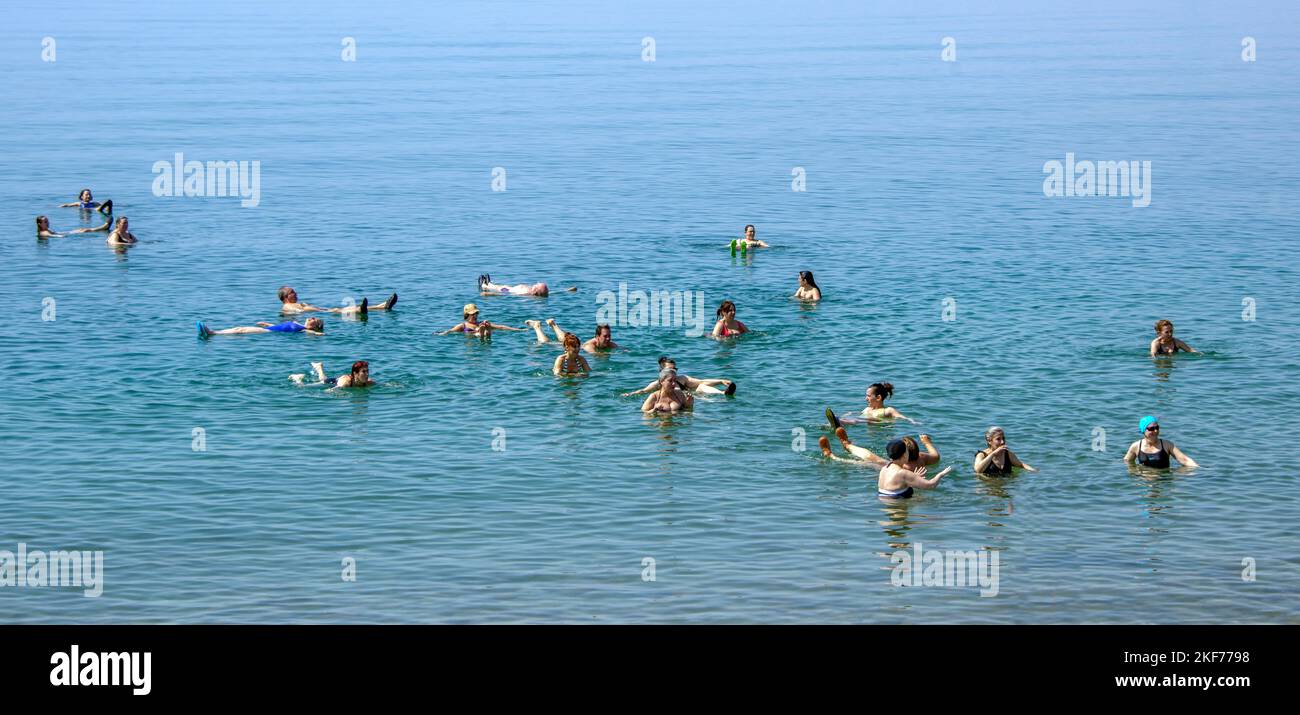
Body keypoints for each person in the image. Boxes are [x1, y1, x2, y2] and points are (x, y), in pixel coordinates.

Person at [622, 357, 736, 396]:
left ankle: (722, 393)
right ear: (661, 371)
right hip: (677, 405)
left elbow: (702, 381)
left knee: (700, 386)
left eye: (675, 369)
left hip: (691, 398)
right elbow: (643, 391)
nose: (674, 372)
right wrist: (630, 394)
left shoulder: (682, 379)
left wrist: (721, 381)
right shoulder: (658, 384)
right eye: (670, 370)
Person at [828, 428, 940, 469]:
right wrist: (927, 443)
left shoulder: (903, 466)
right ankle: (847, 445)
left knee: (868, 458)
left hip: (888, 468)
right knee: (870, 457)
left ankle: (837, 454)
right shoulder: (922, 457)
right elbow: (936, 456)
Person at [876, 439, 951, 499]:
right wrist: (941, 474)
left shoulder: (885, 468)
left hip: (885, 501)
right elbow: (930, 485)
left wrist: (913, 476)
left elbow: (894, 484)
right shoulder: (903, 473)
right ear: (904, 455)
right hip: (897, 505)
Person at [824, 382, 916, 427]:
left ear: (878, 398)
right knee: (854, 419)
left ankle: (839, 422)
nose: (865, 398)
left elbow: (902, 417)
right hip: (865, 423)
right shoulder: (867, 409)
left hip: (879, 424)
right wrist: (849, 413)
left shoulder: (888, 410)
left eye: (868, 396)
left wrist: (912, 421)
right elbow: (858, 414)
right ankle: (836, 422)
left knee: (859, 421)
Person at [1124, 416, 1198, 469]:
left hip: (1163, 481)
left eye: (1157, 428)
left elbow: (1184, 460)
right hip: (1144, 483)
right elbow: (1127, 462)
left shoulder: (1167, 445)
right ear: (1143, 430)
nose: (1155, 431)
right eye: (1151, 429)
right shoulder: (1136, 446)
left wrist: (1199, 469)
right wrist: (1135, 473)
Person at [278, 286, 397, 315]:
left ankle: (382, 306)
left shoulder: (296, 303)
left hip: (321, 310)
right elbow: (294, 312)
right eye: (292, 292)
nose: (296, 293)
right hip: (318, 313)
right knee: (338, 311)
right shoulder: (287, 306)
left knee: (339, 309)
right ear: (285, 297)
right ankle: (378, 306)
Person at [525, 318, 618, 353]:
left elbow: (622, 349)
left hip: (576, 344)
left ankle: (553, 324)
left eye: (609, 336)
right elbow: (597, 355)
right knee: (545, 342)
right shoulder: (590, 346)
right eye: (605, 336)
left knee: (565, 338)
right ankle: (537, 326)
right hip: (569, 348)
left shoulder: (609, 343)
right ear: (597, 337)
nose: (608, 338)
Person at [974, 426, 1038, 475]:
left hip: (1006, 487)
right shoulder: (982, 455)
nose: (1002, 442)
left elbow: (1021, 465)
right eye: (998, 439)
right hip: (988, 487)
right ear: (989, 441)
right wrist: (993, 454)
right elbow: (978, 471)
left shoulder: (1007, 454)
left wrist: (1034, 471)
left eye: (1003, 438)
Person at [438, 303, 526, 336]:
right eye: (472, 314)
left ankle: (484, 331)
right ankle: (481, 331)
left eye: (476, 313)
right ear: (466, 315)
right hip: (473, 338)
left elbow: (501, 327)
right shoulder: (462, 325)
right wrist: (442, 333)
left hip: (483, 334)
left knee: (486, 326)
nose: (475, 316)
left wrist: (518, 330)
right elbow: (450, 331)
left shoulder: (481, 323)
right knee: (478, 332)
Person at [198, 317, 325, 337]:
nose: (311, 318)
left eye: (315, 320)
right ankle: (213, 332)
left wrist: (319, 334)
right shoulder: (296, 322)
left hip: (266, 332)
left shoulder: (304, 330)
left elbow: (313, 334)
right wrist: (267, 323)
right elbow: (280, 326)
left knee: (240, 330)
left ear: (314, 326)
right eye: (312, 317)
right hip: (268, 329)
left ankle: (212, 333)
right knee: (239, 329)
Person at [291, 360, 373, 388]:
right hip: (332, 382)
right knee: (303, 386)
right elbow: (333, 390)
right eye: (363, 371)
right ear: (355, 373)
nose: (367, 374)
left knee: (322, 377)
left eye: (367, 371)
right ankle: (297, 378)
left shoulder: (368, 382)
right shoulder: (346, 382)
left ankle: (319, 367)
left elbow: (383, 386)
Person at [478, 274, 575, 297]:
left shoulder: (526, 293)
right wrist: (568, 290)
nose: (536, 283)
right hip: (510, 288)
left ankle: (485, 285)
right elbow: (554, 292)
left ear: (536, 291)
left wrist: (490, 294)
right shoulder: (534, 291)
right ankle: (489, 283)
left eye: (537, 285)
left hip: (507, 291)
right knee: (500, 286)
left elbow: (507, 296)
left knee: (498, 288)